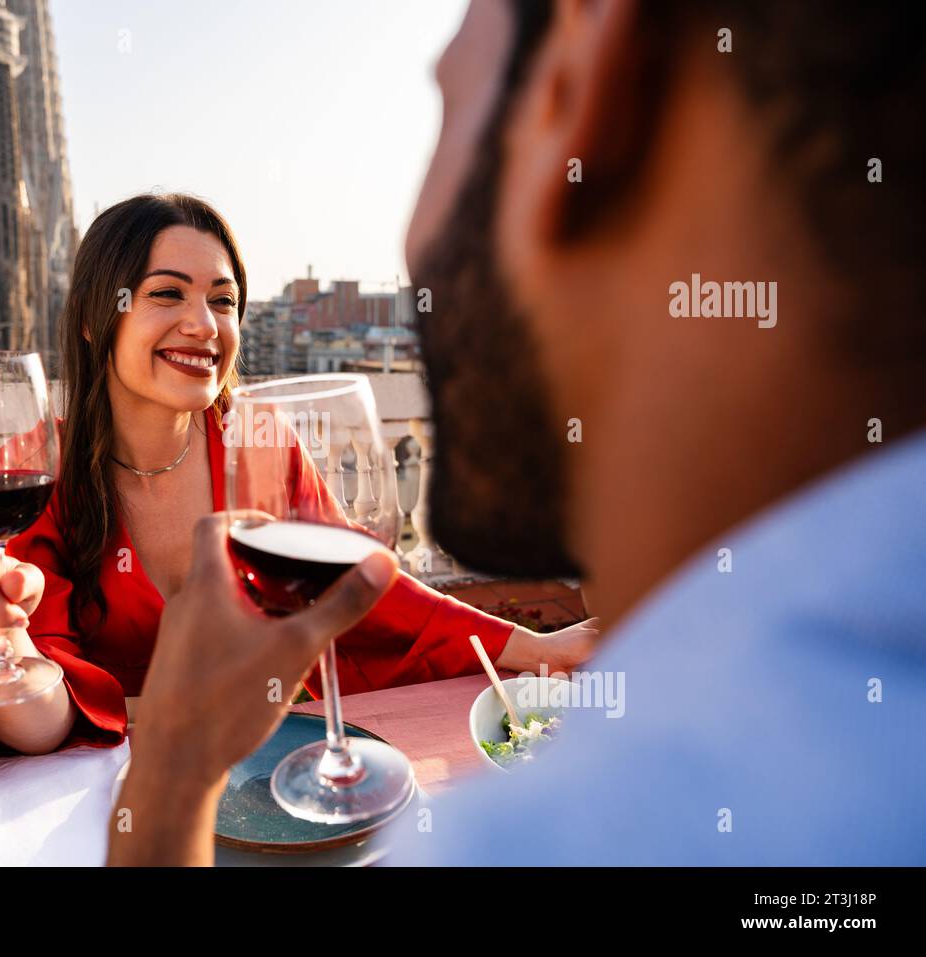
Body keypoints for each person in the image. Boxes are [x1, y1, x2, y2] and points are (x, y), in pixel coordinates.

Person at [108, 0, 926, 865]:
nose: (413, 234)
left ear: (580, 72)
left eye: (445, 101)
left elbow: (378, 598)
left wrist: (171, 770)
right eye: (166, 293)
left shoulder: (557, 833)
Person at [0, 192, 599, 802]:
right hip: (121, 805)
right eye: (168, 294)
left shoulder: (261, 441)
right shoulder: (34, 474)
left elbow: (366, 593)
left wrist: (534, 647)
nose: (205, 324)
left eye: (223, 299)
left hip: (275, 783)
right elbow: (43, 722)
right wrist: (2, 639)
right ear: (94, 318)